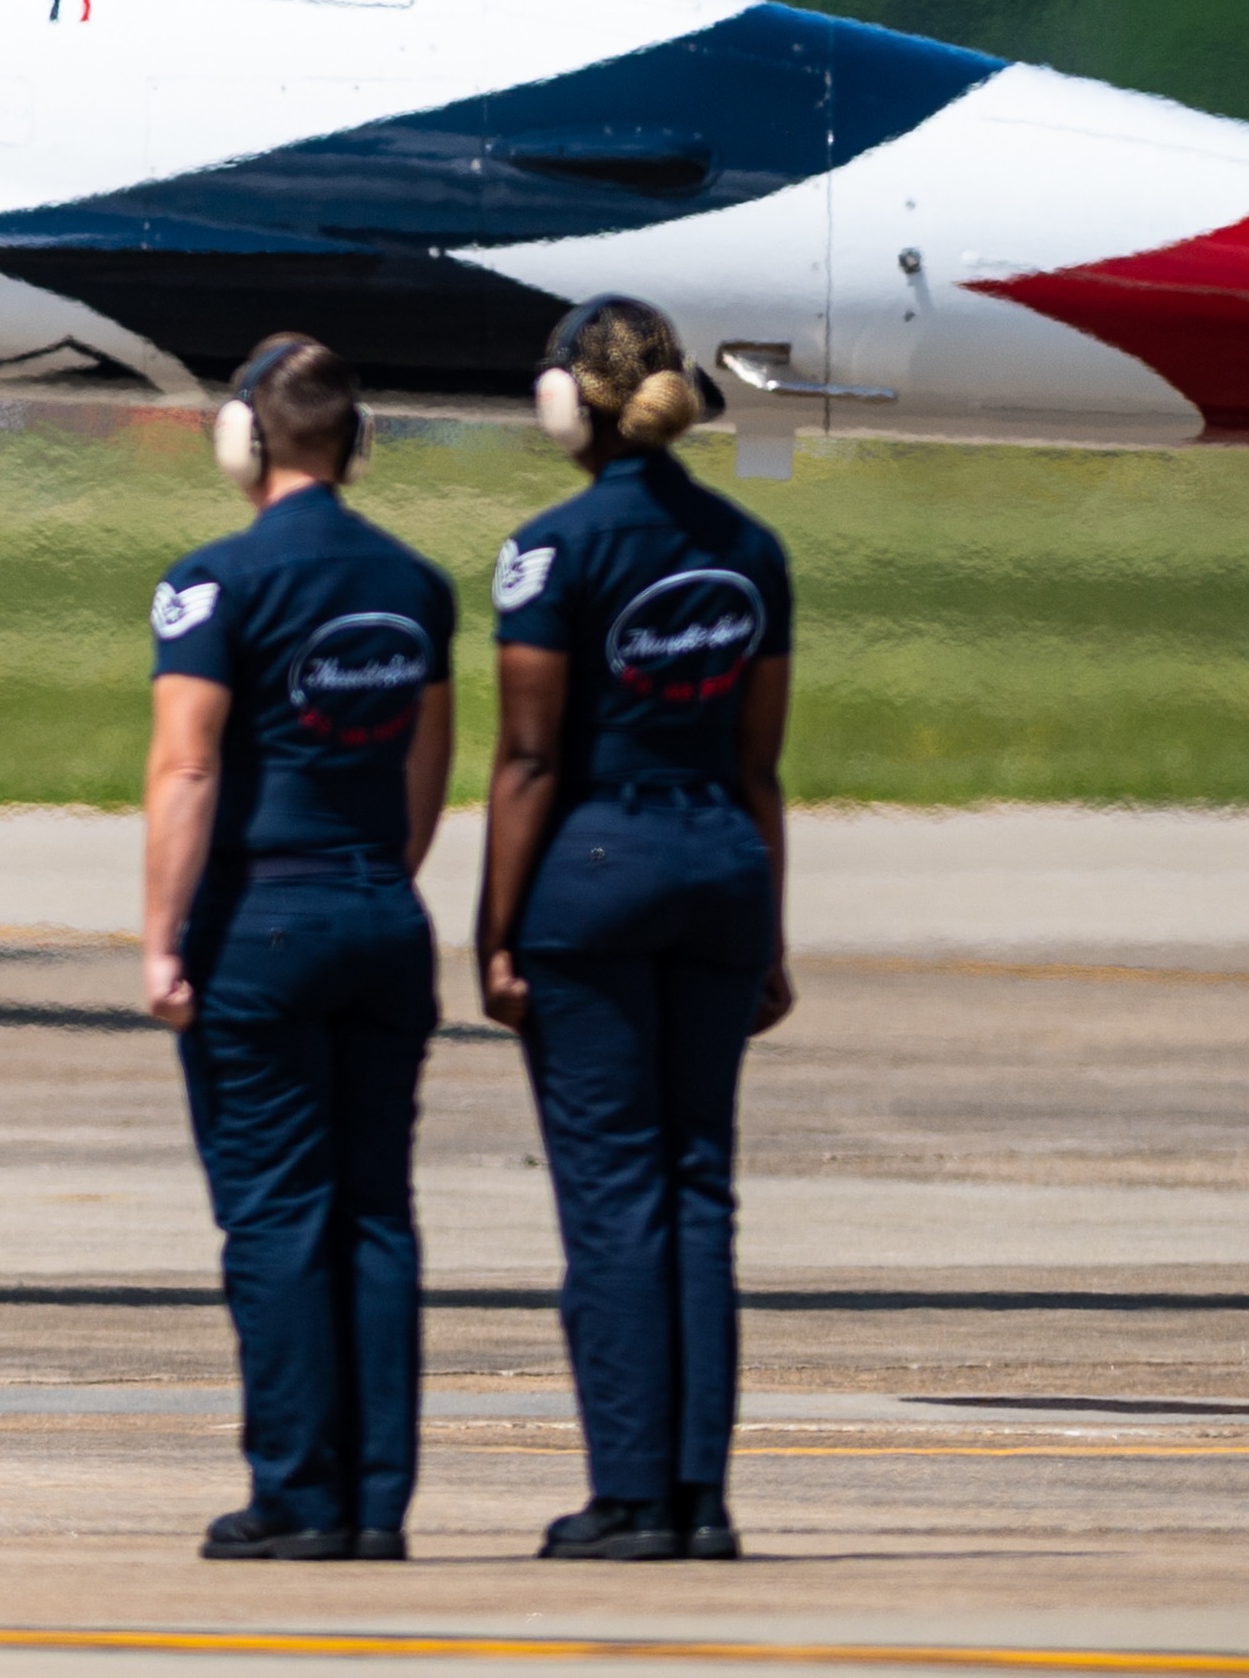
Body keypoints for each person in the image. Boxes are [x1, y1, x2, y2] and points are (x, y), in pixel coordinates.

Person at [474, 294, 796, 1564]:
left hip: (596, 871)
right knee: (698, 1184)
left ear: (568, 402)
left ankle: (627, 1494)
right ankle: (699, 1496)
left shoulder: (549, 553)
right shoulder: (751, 549)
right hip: (722, 863)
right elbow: (760, 765)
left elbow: (529, 757)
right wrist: (769, 930)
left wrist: (495, 931)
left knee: (613, 1191)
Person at [142, 334, 459, 1563]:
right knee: (375, 1210)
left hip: (261, 918)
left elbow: (187, 767)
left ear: (244, 439)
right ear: (358, 442)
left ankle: (296, 1491)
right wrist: (381, 875)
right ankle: (375, 1501)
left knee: (276, 1214)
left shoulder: (214, 583)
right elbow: (429, 763)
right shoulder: (415, 583)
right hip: (380, 907)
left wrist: (162, 941)